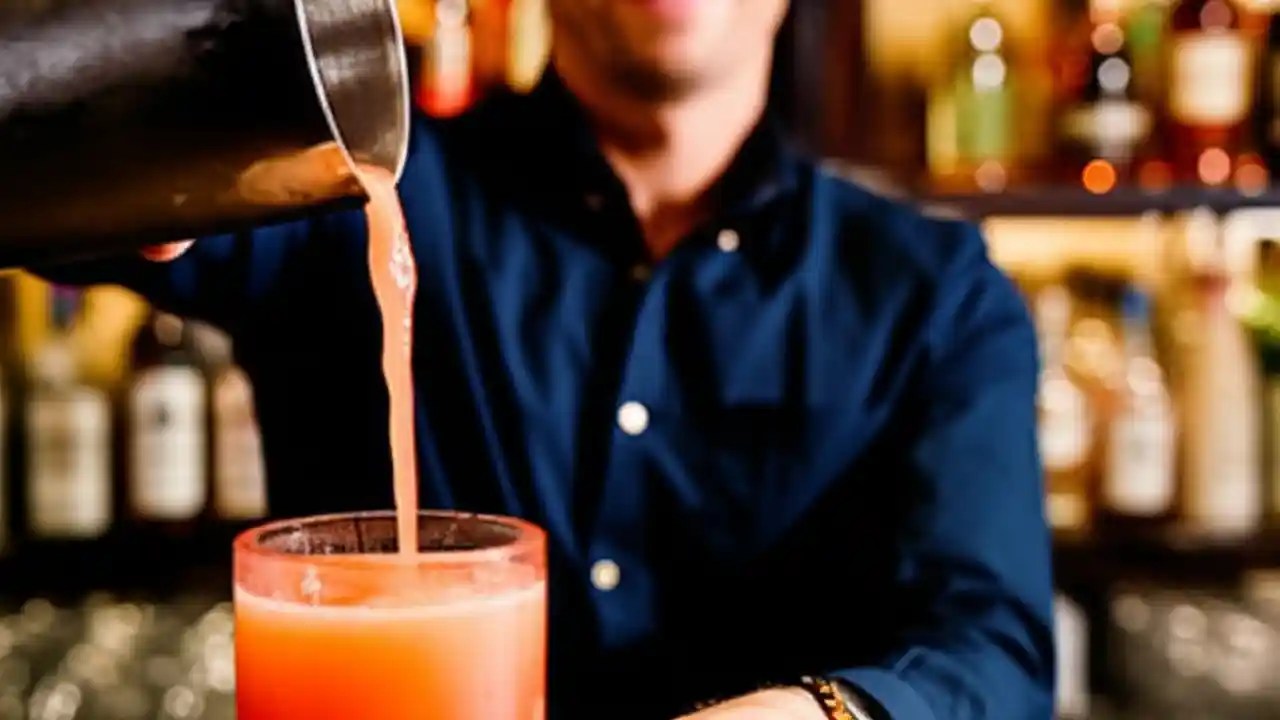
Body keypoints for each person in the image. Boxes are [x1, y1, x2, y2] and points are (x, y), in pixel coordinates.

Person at [42, 0, 1055, 717]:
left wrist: (822, 714)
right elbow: (51, 172)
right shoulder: (351, 191)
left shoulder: (931, 293)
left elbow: (995, 660)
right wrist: (136, 143)